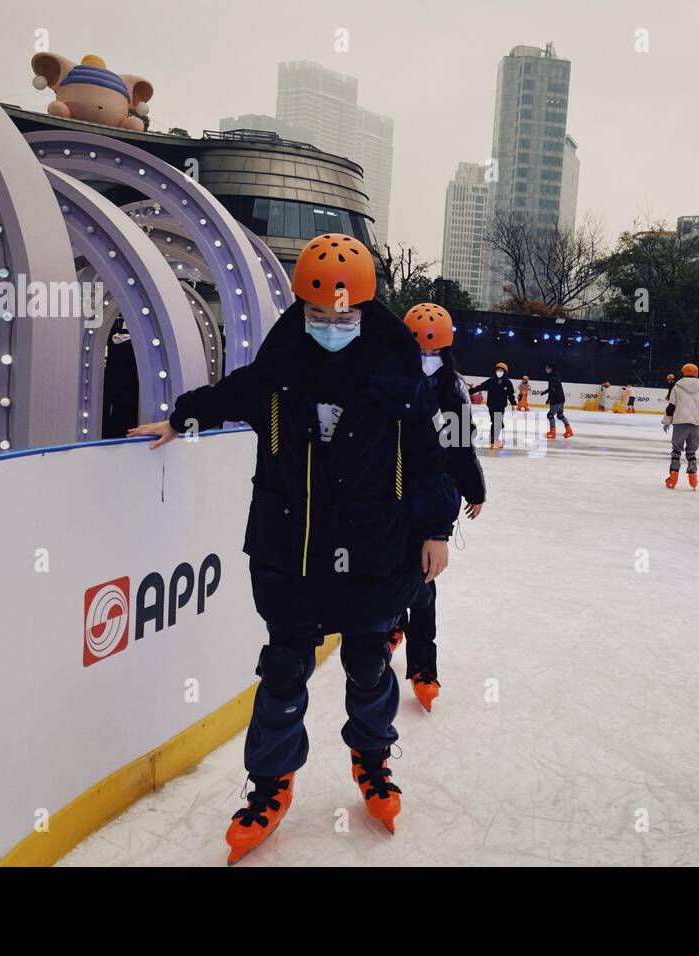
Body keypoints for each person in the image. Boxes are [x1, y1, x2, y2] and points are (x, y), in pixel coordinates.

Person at [128, 233, 459, 863]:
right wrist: (182, 417)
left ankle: (372, 761)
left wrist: (437, 529)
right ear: (300, 309)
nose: (332, 326)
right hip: (293, 552)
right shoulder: (277, 375)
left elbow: (426, 459)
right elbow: (228, 396)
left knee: (367, 667)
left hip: (375, 552)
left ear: (366, 309)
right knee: (283, 672)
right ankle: (270, 785)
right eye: (318, 316)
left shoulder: (399, 381)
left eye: (345, 316)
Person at [393, 303, 487, 711]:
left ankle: (423, 667)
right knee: (392, 573)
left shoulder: (454, 390)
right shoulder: (390, 383)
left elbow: (463, 449)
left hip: (432, 502)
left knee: (424, 587)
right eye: (420, 353)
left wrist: (474, 489)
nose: (427, 361)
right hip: (389, 500)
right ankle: (393, 625)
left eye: (435, 354)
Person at [662, 363, 699, 490]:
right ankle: (693, 478)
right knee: (692, 452)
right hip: (696, 425)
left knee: (676, 450)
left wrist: (666, 421)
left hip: (680, 423)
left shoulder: (677, 387)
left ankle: (673, 477)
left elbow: (671, 408)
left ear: (683, 373)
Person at [469, 362, 516, 448]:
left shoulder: (507, 382)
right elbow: (480, 387)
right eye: (497, 370)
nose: (499, 372)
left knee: (497, 422)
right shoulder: (490, 381)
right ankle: (493, 440)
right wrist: (469, 392)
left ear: (505, 372)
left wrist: (513, 404)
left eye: (501, 370)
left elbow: (510, 394)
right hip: (492, 405)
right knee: (495, 422)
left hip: (501, 405)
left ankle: (494, 439)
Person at [540, 362, 573, 438]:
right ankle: (569, 430)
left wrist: (548, 399)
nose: (546, 369)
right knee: (560, 415)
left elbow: (552, 389)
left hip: (556, 399)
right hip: (561, 399)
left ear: (550, 369)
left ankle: (553, 432)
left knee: (550, 415)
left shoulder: (552, 377)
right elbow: (552, 388)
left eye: (547, 368)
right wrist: (545, 392)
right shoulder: (556, 376)